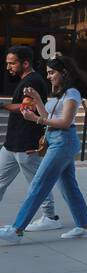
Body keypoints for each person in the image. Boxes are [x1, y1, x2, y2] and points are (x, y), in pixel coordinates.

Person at [0, 54, 87, 245]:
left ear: (64, 73)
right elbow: (48, 116)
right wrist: (37, 100)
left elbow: (65, 122)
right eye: (48, 73)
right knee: (69, 187)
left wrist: (35, 119)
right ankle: (85, 226)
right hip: (56, 141)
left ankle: (17, 230)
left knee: (39, 184)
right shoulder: (61, 93)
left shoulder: (72, 93)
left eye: (52, 73)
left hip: (64, 141)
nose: (49, 77)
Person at [0, 46, 61, 232]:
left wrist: (2, 105)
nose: (8, 67)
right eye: (7, 63)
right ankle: (49, 216)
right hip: (11, 145)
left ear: (25, 63)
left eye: (12, 63)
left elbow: (26, 108)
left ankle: (50, 217)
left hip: (25, 144)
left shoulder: (33, 81)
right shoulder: (26, 80)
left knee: (37, 184)